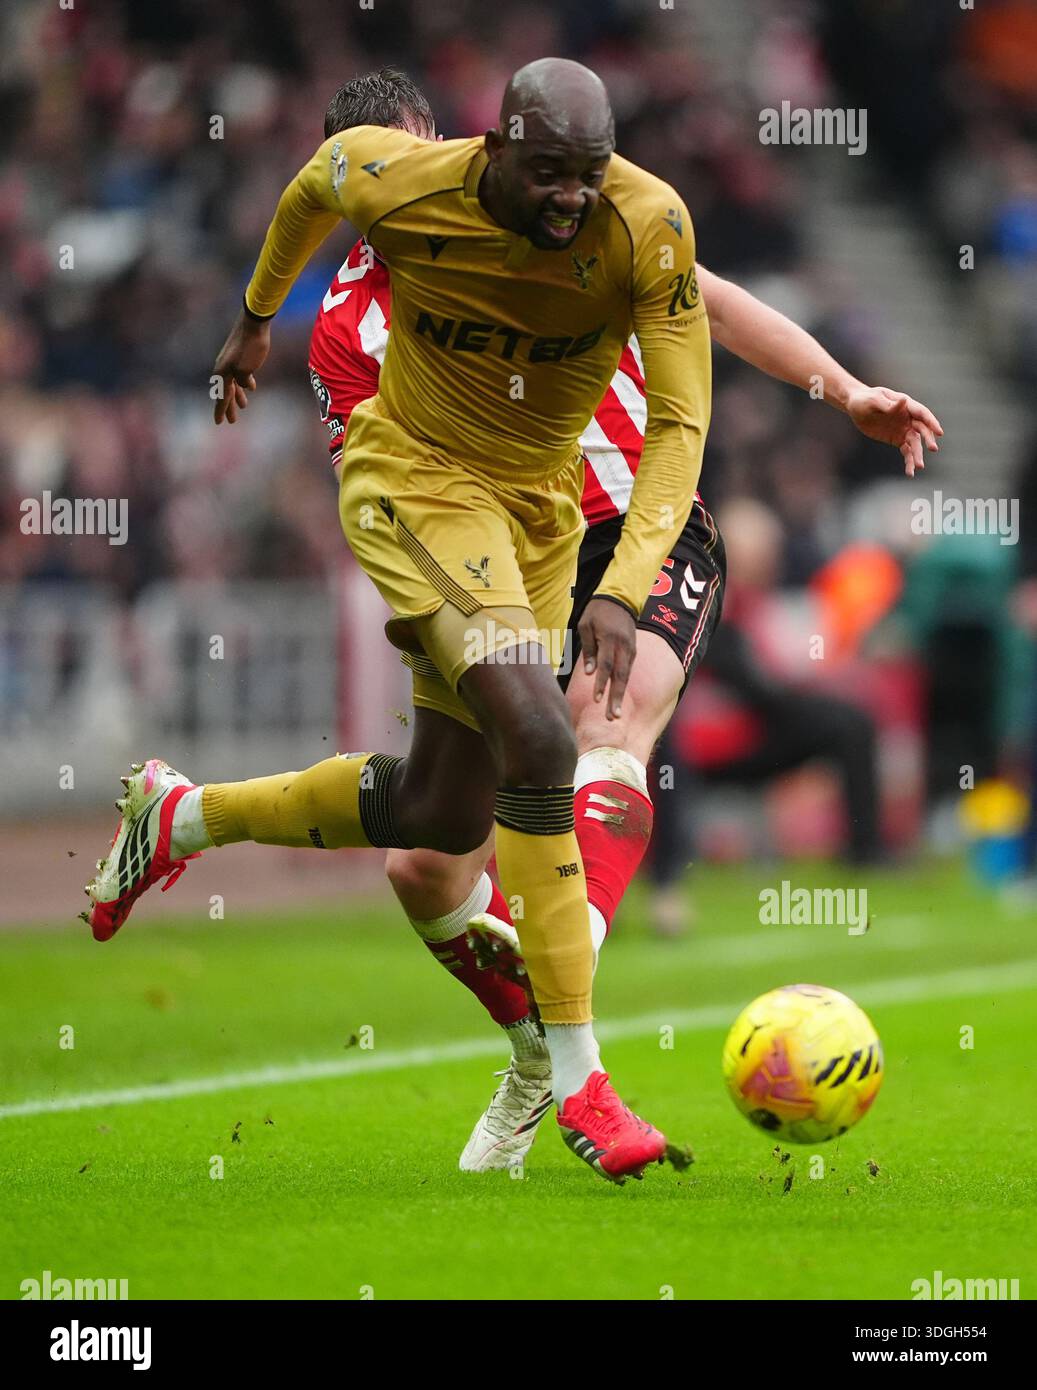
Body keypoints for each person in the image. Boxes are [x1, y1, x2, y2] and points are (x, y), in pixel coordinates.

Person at [82, 57, 716, 1186]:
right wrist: (253, 322)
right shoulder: (398, 216)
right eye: (546, 175)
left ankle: (180, 816)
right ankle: (575, 1079)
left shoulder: (643, 220)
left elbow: (681, 413)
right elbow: (314, 183)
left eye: (587, 173)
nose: (570, 196)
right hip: (415, 483)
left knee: (435, 813)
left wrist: (622, 584)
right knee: (546, 736)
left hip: (547, 510)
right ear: (489, 155)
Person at [306, 70, 944, 1170]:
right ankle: (537, 1052)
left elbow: (712, 299)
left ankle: (568, 1057)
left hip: (637, 527)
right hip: (502, 554)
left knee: (609, 723)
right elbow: (390, 492)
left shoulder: (561, 215)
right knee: (425, 868)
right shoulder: (345, 333)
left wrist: (841, 390)